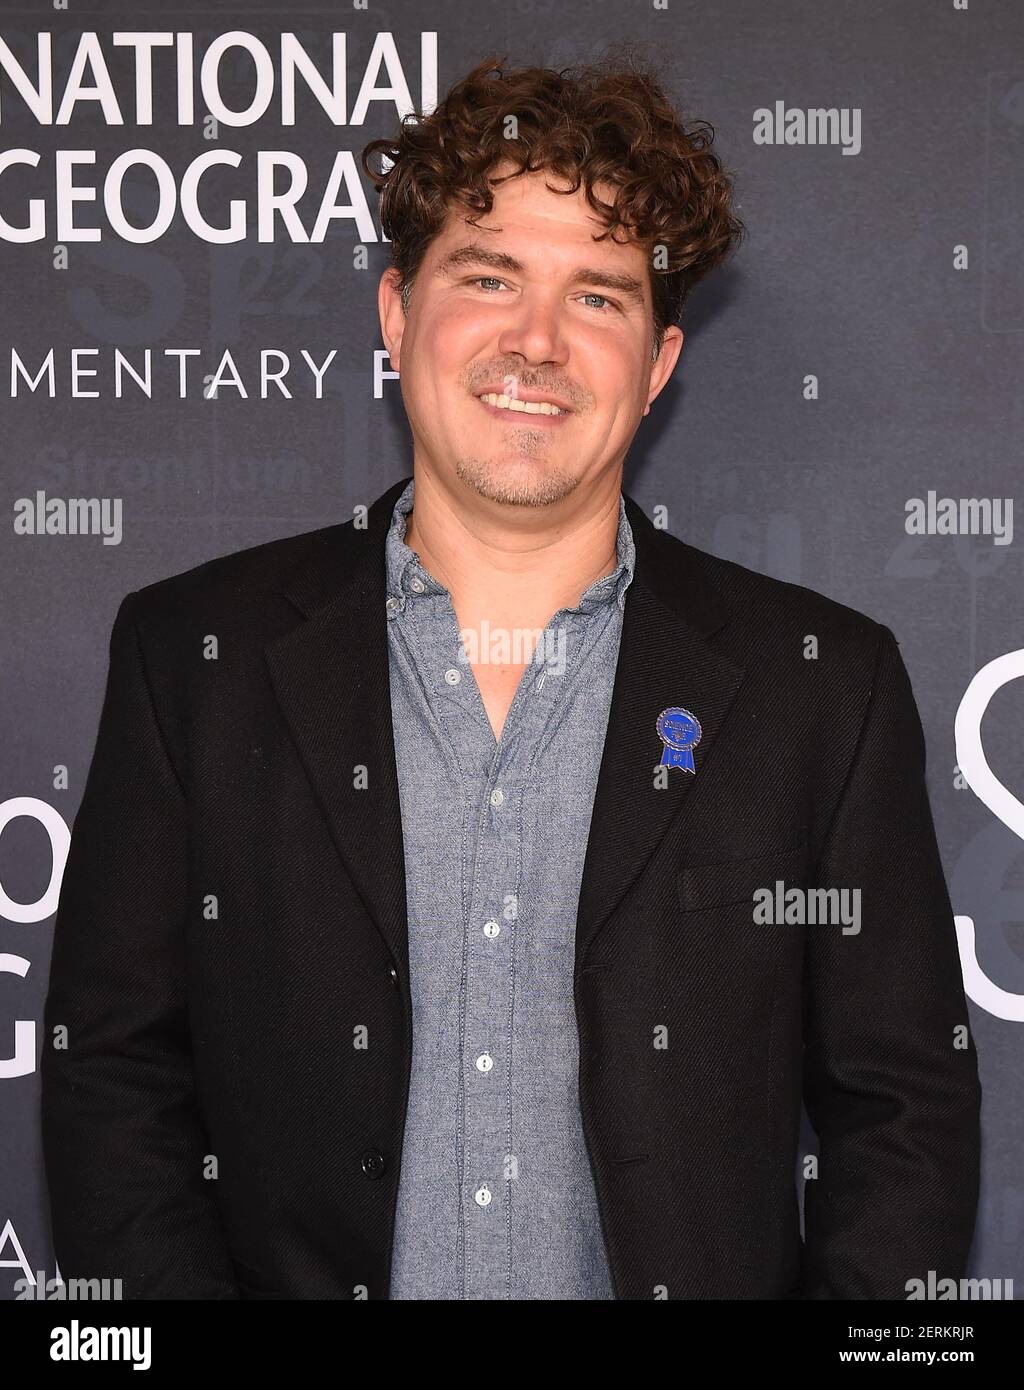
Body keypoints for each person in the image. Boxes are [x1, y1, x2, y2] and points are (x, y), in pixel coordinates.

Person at [41, 52, 981, 1300]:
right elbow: (114, 1080)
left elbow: (901, 1114)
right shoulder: (191, 659)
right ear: (395, 315)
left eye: (598, 297)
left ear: (654, 364)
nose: (534, 342)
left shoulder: (821, 685)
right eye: (488, 277)